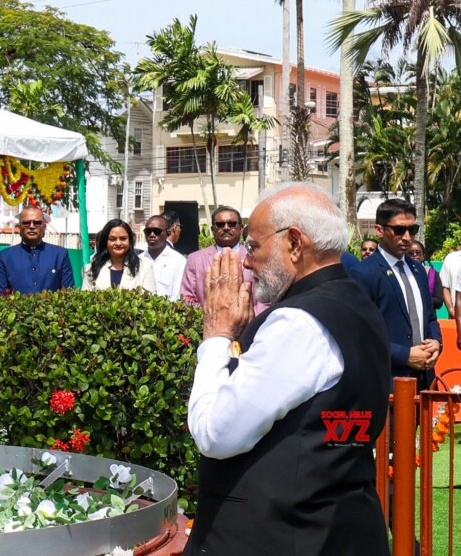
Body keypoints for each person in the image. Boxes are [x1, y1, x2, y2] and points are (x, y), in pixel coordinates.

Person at [185, 182, 390, 556]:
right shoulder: (355, 303)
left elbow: (216, 432)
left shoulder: (298, 323)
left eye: (254, 246)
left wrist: (216, 337)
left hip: (283, 537)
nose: (247, 261)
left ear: (295, 243)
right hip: (339, 531)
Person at [349, 198, 441, 389]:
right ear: (379, 230)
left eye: (412, 230)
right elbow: (359, 334)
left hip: (425, 380)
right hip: (387, 383)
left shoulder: (418, 270)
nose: (407, 237)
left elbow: (430, 318)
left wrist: (436, 343)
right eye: (399, 230)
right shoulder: (364, 273)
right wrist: (404, 355)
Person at [180, 205, 264, 314]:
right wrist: (210, 316)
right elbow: (187, 297)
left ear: (241, 228)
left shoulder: (256, 256)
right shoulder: (195, 259)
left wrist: (250, 318)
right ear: (212, 229)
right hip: (208, 325)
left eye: (232, 224)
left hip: (249, 326)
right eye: (220, 224)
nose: (226, 228)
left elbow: (265, 299)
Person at [0, 204, 75, 294]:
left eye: (37, 223)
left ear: (44, 228)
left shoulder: (60, 255)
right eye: (26, 223)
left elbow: (69, 294)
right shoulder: (5, 257)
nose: (32, 226)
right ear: (19, 228)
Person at [81, 219, 156, 292]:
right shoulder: (91, 269)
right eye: (112, 239)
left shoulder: (145, 268)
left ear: (130, 241)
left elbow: (151, 300)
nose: (118, 243)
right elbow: (85, 301)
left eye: (123, 239)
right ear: (105, 241)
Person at [141, 214, 186, 300]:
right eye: (148, 231)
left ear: (167, 233)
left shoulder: (179, 261)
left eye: (157, 231)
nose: (152, 235)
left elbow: (178, 295)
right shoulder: (137, 260)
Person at [408, 241, 444, 316]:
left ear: (423, 255)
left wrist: (418, 299)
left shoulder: (432, 274)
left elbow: (439, 302)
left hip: (428, 317)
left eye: (418, 252)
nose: (414, 255)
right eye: (410, 253)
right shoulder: (401, 273)